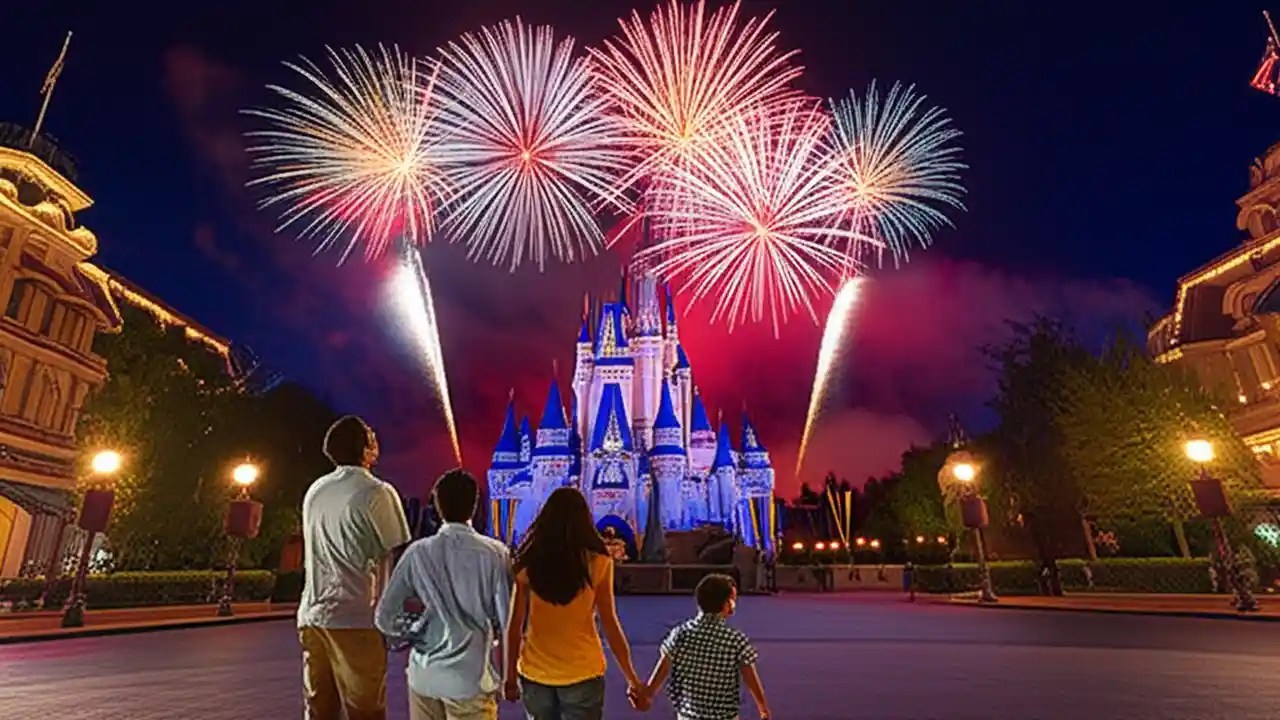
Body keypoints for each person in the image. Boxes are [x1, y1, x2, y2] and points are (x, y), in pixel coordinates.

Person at [298, 415, 411, 720]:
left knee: (319, 707)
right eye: (371, 436)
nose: (377, 440)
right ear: (364, 449)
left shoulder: (316, 490)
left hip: (313, 615)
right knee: (366, 710)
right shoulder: (377, 492)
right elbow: (399, 553)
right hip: (357, 616)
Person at [375, 469, 512, 720]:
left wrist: (415, 630)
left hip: (424, 678)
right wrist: (507, 677)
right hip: (470, 680)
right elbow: (507, 623)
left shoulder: (417, 553)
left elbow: (384, 616)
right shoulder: (495, 554)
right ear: (474, 505)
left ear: (437, 506)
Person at [503, 487, 645, 719]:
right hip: (583, 670)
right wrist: (632, 678)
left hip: (536, 672)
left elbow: (515, 625)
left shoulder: (529, 563)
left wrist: (509, 676)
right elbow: (610, 623)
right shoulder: (598, 562)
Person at [640, 574, 770, 720]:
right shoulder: (735, 640)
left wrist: (648, 694)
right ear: (727, 605)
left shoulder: (679, 634)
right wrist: (763, 709)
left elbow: (663, 667)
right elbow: (750, 677)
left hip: (688, 716)